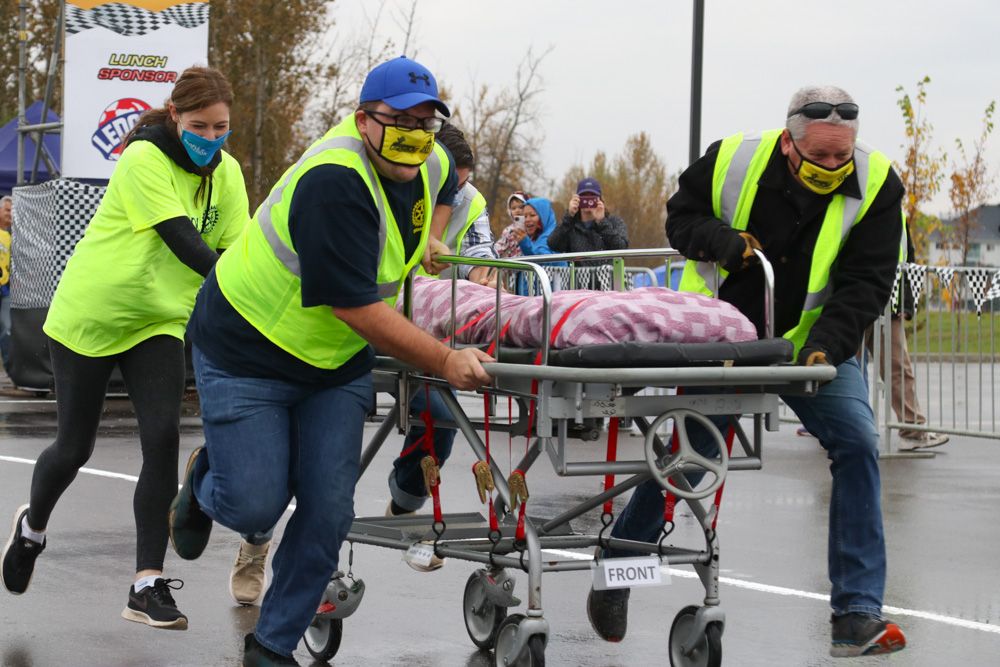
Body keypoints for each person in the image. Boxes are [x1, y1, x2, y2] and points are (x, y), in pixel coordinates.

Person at [170, 55, 493, 666]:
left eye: (425, 122)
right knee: (256, 504)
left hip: (332, 365)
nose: (412, 133)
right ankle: (205, 481)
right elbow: (358, 309)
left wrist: (431, 233)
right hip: (249, 348)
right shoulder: (335, 181)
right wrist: (446, 359)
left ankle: (271, 646)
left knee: (327, 509)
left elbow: (451, 178)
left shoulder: (429, 156)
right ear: (363, 120)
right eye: (396, 119)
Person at [586, 86, 908, 659]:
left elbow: (867, 285)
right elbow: (679, 219)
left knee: (858, 443)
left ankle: (857, 615)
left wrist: (826, 350)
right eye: (821, 157)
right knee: (686, 461)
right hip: (726, 340)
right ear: (790, 143)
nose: (834, 167)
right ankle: (620, 564)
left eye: (843, 156)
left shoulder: (879, 185)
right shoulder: (732, 160)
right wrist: (723, 243)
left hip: (814, 346)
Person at [0, 67, 250, 631]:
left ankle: (146, 583)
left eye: (221, 128)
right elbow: (185, 242)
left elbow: (237, 249)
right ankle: (33, 527)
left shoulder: (229, 173)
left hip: (159, 319)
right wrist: (241, 294)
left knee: (161, 438)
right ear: (173, 115)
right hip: (92, 315)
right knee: (74, 448)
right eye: (199, 126)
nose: (211, 139)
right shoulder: (143, 159)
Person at [224, 122, 501, 593]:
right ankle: (256, 542)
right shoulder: (369, 184)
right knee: (298, 452)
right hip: (345, 326)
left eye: (459, 184)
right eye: (448, 186)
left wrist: (480, 277)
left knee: (441, 412)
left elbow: (482, 258)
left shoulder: (467, 202)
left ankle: (406, 502)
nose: (454, 196)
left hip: (424, 329)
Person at [869, 227, 948, 450]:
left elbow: (907, 264)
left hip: (888, 304)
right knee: (843, 368)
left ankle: (912, 430)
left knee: (898, 368)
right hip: (852, 300)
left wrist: (905, 304)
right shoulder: (851, 202)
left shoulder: (899, 216)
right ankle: (836, 430)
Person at [548, 177, 629, 287]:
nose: (588, 200)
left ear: (600, 199)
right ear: (577, 199)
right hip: (579, 287)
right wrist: (569, 215)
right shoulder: (570, 225)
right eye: (584, 196)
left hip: (609, 286)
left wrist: (602, 222)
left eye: (592, 196)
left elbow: (621, 248)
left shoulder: (614, 222)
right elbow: (553, 244)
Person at [514, 197, 563, 294]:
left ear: (543, 216)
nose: (527, 220)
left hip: (547, 302)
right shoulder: (534, 239)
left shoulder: (553, 238)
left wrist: (525, 244)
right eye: (525, 216)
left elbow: (544, 261)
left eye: (532, 215)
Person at [493, 190, 530, 259]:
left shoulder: (531, 228)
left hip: (528, 264)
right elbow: (499, 247)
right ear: (509, 211)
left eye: (521, 207)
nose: (517, 210)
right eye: (513, 208)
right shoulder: (508, 230)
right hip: (511, 266)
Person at [0, 196, 12, 371]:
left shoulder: (12, 235)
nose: (10, 214)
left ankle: (11, 371)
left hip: (6, 289)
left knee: (7, 328)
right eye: (7, 210)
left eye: (12, 210)